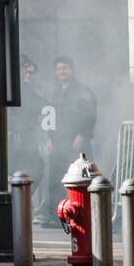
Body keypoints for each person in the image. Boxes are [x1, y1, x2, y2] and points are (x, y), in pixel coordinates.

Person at [9, 56, 51, 222]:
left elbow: (42, 107)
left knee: (36, 170)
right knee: (16, 173)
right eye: (26, 70)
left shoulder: (31, 90)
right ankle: (15, 205)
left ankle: (18, 203)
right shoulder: (15, 88)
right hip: (14, 139)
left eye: (32, 72)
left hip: (26, 140)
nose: (29, 74)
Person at [46, 56, 96, 184]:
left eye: (65, 68)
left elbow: (90, 115)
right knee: (56, 180)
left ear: (71, 70)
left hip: (77, 142)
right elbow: (49, 115)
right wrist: (49, 137)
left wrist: (82, 135)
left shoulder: (83, 90)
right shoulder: (54, 92)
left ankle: (85, 204)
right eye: (58, 69)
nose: (61, 71)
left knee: (82, 179)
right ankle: (57, 204)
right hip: (57, 143)